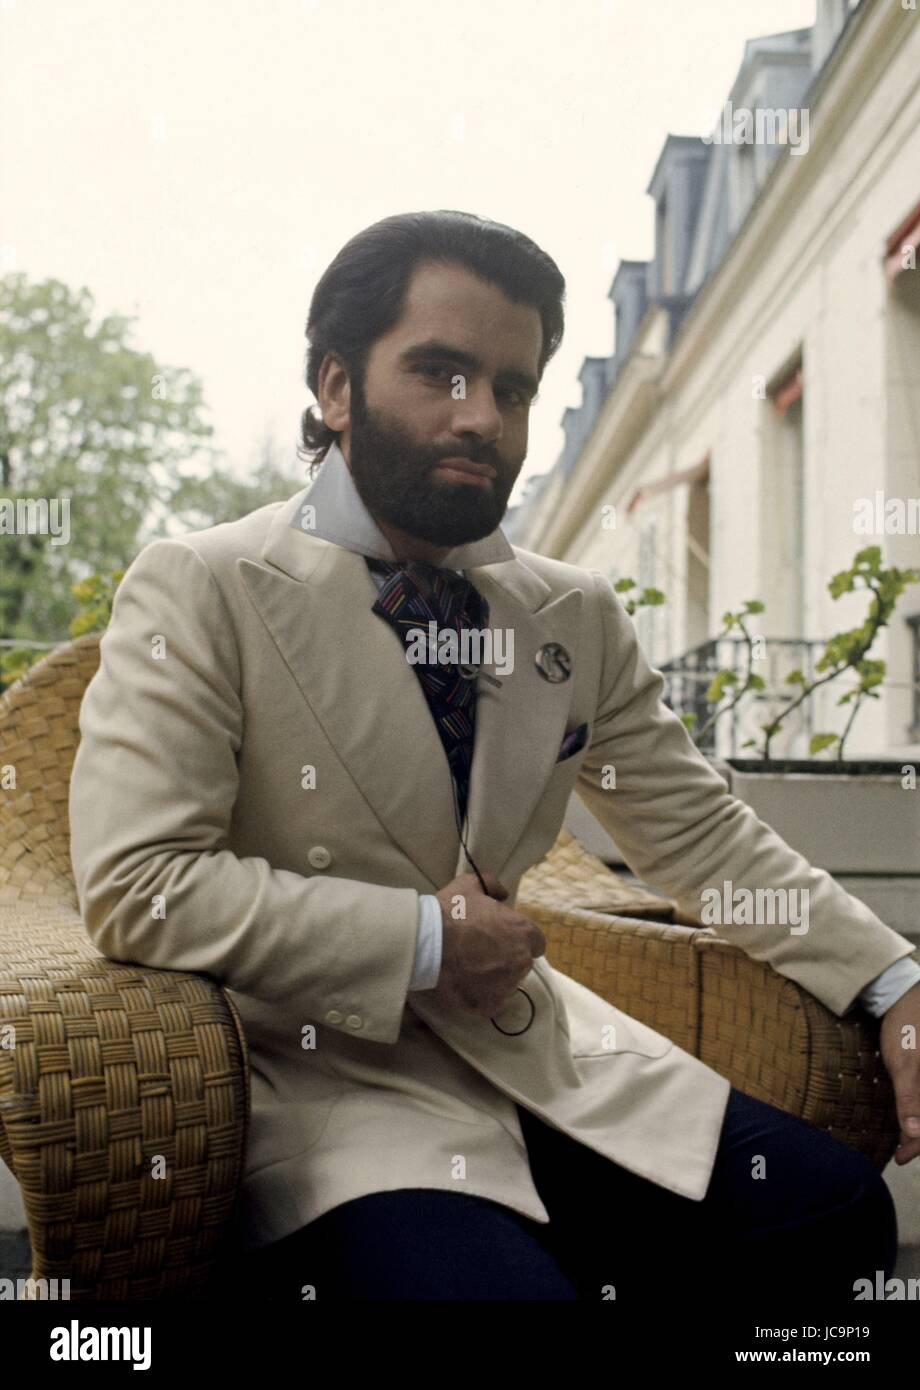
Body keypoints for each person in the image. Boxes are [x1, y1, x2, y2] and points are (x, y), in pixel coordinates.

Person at [68, 210, 920, 1303]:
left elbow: (698, 835)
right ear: (335, 387)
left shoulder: (571, 610)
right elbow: (140, 887)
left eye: (511, 389)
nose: (479, 417)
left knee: (837, 1220)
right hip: (329, 1078)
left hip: (542, 1054)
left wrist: (892, 977)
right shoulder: (204, 586)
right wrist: (424, 937)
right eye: (439, 372)